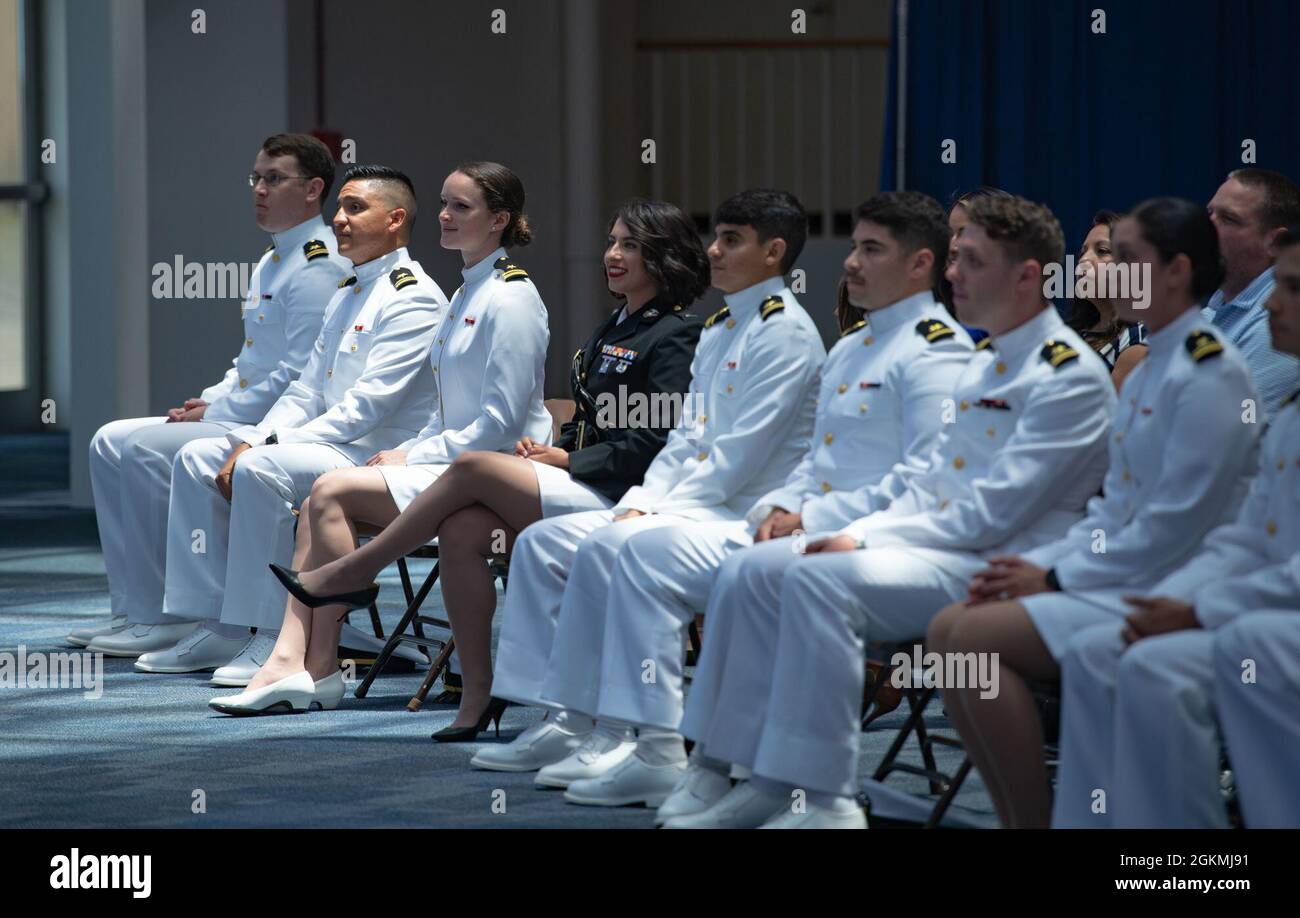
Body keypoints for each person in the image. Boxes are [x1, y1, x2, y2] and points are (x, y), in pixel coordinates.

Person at [666, 193, 1115, 829]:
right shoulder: (987, 360)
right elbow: (929, 481)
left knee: (818, 580)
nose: (953, 274)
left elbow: (991, 512)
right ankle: (752, 771)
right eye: (955, 259)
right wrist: (858, 531)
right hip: (939, 548)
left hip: (1003, 566)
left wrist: (860, 538)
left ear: (1026, 277)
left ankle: (823, 798)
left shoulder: (1064, 373)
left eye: (971, 262)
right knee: (762, 568)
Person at [553, 191, 975, 809]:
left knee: (754, 572)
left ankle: (798, 790)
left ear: (919, 265)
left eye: (870, 249)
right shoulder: (855, 347)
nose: (851, 262)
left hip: (903, 540)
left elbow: (924, 477)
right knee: (716, 563)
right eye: (854, 246)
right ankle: (704, 763)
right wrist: (775, 512)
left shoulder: (937, 351)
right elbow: (814, 463)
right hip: (815, 524)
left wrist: (812, 518)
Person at [224, 198, 709, 723]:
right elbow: (593, 423)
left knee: (472, 467)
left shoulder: (674, 334)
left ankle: (357, 571)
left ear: (664, 257)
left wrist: (568, 462)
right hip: (577, 478)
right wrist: (563, 450)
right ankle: (479, 695)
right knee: (461, 531)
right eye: (612, 241)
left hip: (625, 496)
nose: (613, 254)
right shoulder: (614, 327)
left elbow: (656, 442)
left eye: (631, 245)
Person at [474, 189, 825, 793]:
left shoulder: (784, 333)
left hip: (741, 513)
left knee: (623, 547)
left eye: (731, 240)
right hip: (689, 503)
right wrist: (641, 499)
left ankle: (643, 740)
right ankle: (569, 720)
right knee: (545, 543)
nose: (714, 249)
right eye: (715, 236)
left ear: (774, 252)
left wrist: (649, 511)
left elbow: (738, 458)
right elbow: (685, 442)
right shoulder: (722, 328)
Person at [927, 196, 1260, 829]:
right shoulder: (1153, 362)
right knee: (952, 628)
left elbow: (1174, 525)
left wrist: (1054, 578)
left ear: (1177, 271)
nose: (1103, 272)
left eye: (1125, 258)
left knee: (968, 636)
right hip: (1130, 572)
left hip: (1176, 583)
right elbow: (1113, 510)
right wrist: (1039, 563)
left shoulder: (1209, 372)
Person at [144, 165, 447, 684]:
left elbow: (363, 412)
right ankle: (221, 622)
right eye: (340, 208)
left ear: (395, 219)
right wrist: (250, 437)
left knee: (260, 469)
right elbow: (305, 390)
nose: (340, 220)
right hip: (331, 444)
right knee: (202, 455)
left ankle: (271, 634)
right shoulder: (348, 289)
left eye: (356, 208)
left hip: (373, 455)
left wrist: (263, 447)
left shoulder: (412, 296)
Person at [1050, 225, 1300, 829]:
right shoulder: (1291, 419)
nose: (1271, 302)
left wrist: (1200, 608)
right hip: (1256, 604)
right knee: (1099, 653)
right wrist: (1181, 600)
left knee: (1225, 649)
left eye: (1292, 289)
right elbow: (1246, 539)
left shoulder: (1205, 374)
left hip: (1269, 616)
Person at [80, 134, 348, 654]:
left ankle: (184, 613)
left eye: (274, 178)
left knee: (142, 448)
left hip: (273, 425)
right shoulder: (275, 260)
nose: (259, 190)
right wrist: (205, 401)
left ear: (314, 189)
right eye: (256, 178)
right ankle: (136, 607)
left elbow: (296, 376)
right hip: (242, 410)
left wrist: (217, 411)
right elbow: (250, 362)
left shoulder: (318, 264)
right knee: (109, 439)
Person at [1203, 168, 1300, 418]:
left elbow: (1224, 435)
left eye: (1228, 219)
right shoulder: (1212, 308)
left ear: (1276, 243)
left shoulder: (1280, 323)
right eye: (1209, 213)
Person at [1062, 209, 1147, 386]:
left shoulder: (1136, 340)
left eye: (1102, 251)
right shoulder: (1071, 332)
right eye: (1082, 252)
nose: (1084, 260)